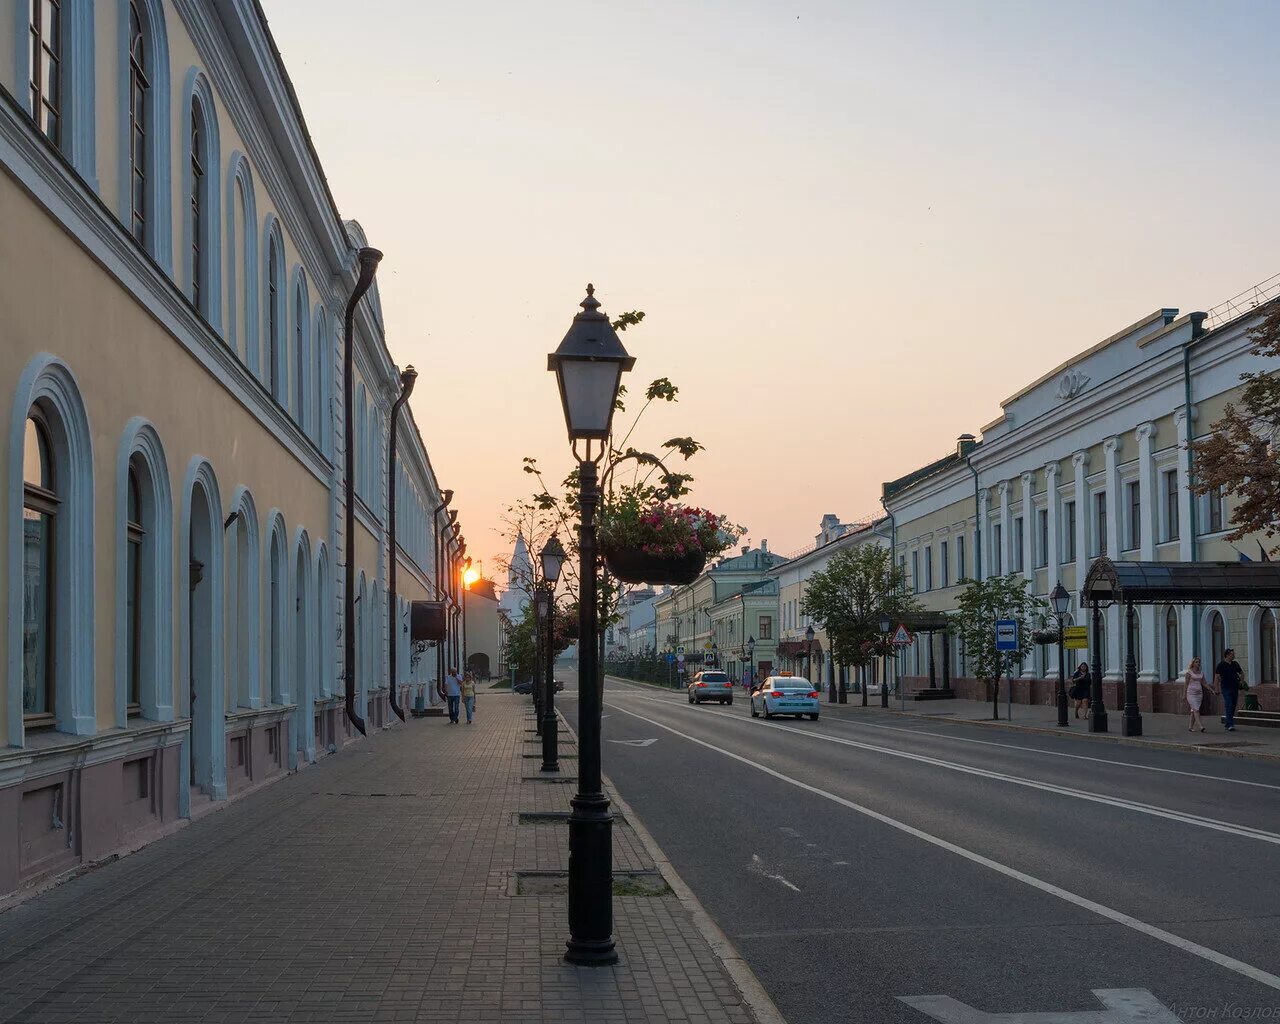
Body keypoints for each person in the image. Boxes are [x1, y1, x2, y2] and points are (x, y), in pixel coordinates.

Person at [1214, 648, 1243, 732]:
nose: (1233, 656)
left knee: (1233, 705)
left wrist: (1241, 681)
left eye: (1233, 654)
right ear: (1227, 655)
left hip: (1235, 687)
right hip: (1225, 688)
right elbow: (1216, 677)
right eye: (1232, 654)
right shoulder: (1221, 665)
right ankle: (1230, 724)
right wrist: (1216, 688)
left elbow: (1241, 673)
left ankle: (1228, 723)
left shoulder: (1235, 664)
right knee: (1229, 704)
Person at [1184, 656, 1210, 733]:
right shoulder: (1189, 673)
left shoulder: (1201, 672)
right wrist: (1184, 694)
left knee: (1193, 710)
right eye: (1196, 662)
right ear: (1193, 663)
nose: (1198, 663)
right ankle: (1201, 726)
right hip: (1191, 694)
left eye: (1199, 662)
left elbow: (1204, 683)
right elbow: (1186, 684)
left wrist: (1211, 689)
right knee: (1196, 709)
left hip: (1199, 694)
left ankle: (1190, 727)